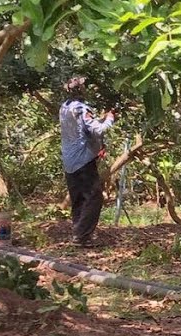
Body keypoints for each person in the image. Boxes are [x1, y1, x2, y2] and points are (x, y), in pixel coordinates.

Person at [59, 76, 114, 247]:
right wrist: (110, 118)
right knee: (94, 197)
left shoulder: (65, 108)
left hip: (69, 160)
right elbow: (97, 130)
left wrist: (101, 120)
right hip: (83, 161)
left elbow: (83, 129)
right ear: (81, 90)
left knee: (78, 198)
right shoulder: (82, 109)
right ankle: (82, 236)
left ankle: (78, 233)